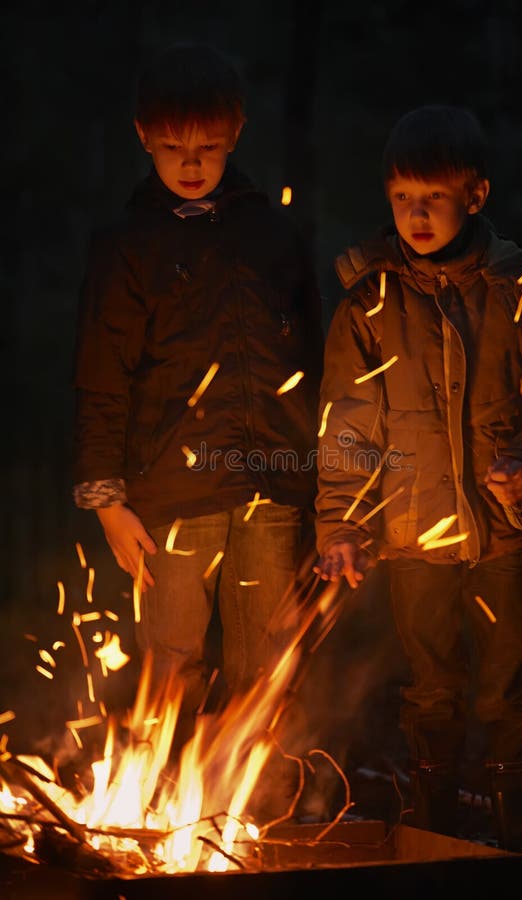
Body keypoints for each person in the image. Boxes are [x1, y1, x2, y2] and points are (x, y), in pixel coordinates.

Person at [313, 105, 522, 854]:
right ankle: (432, 847)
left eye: (433, 197)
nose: (416, 214)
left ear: (475, 196)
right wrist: (342, 523)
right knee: (430, 696)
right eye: (403, 197)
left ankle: (516, 853)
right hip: (413, 540)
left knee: (510, 699)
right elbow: (347, 425)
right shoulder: (369, 302)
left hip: (510, 536)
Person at [72, 42, 324, 795]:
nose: (192, 162)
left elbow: (317, 357)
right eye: (175, 146)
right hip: (171, 499)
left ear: (235, 135)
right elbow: (100, 379)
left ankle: (262, 818)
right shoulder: (127, 248)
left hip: (272, 487)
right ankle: (162, 815)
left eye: (208, 147)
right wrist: (106, 500)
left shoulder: (273, 236)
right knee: (172, 663)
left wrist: (325, 481)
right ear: (144, 135)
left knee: (269, 663)